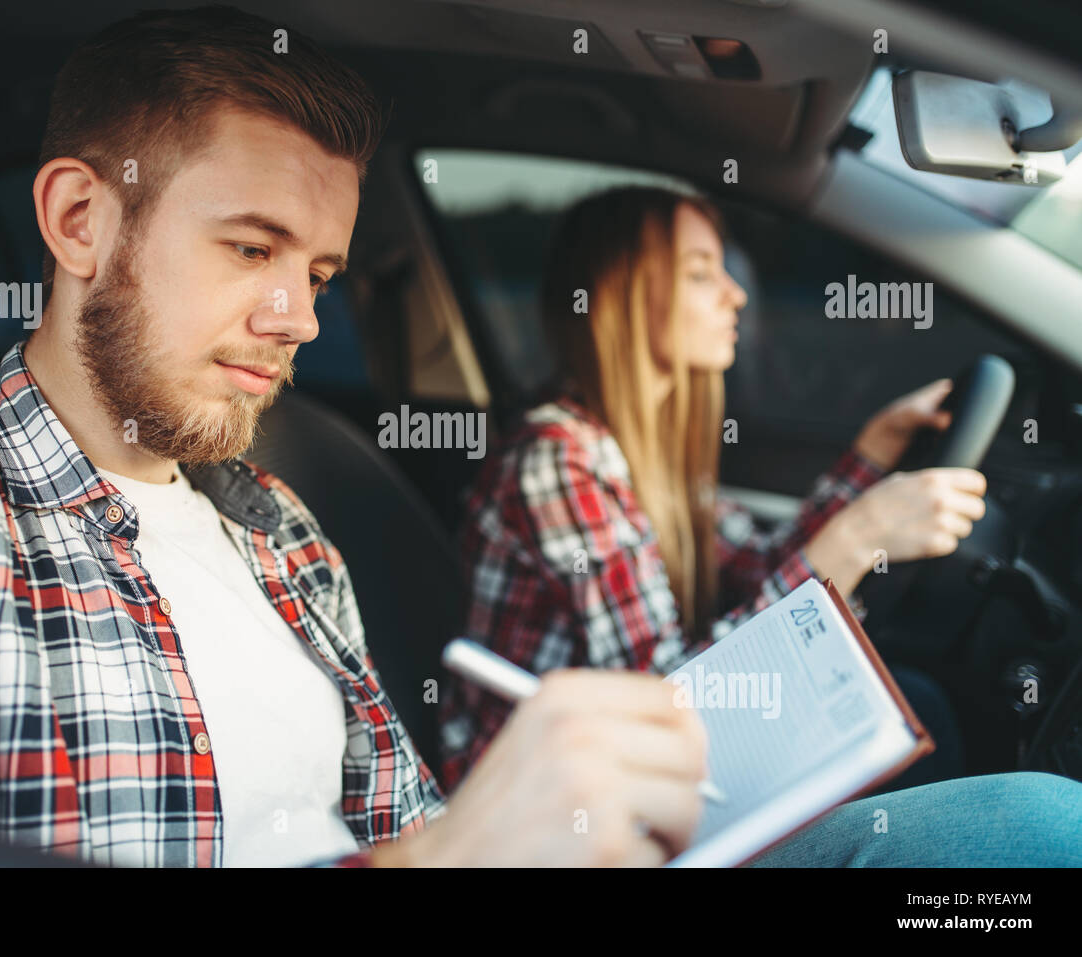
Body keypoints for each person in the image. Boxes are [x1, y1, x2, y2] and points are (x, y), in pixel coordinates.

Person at [0, 6, 1078, 868]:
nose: (296, 318)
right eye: (250, 249)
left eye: (326, 271)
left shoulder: (279, 533)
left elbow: (410, 836)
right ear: (78, 223)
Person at [436, 185, 1082, 864]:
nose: (734, 293)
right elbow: (665, 700)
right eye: (698, 272)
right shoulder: (557, 462)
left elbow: (756, 561)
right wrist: (857, 538)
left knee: (918, 704)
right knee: (1051, 823)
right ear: (620, 296)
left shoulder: (636, 444)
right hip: (563, 827)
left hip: (641, 785)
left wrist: (867, 458)